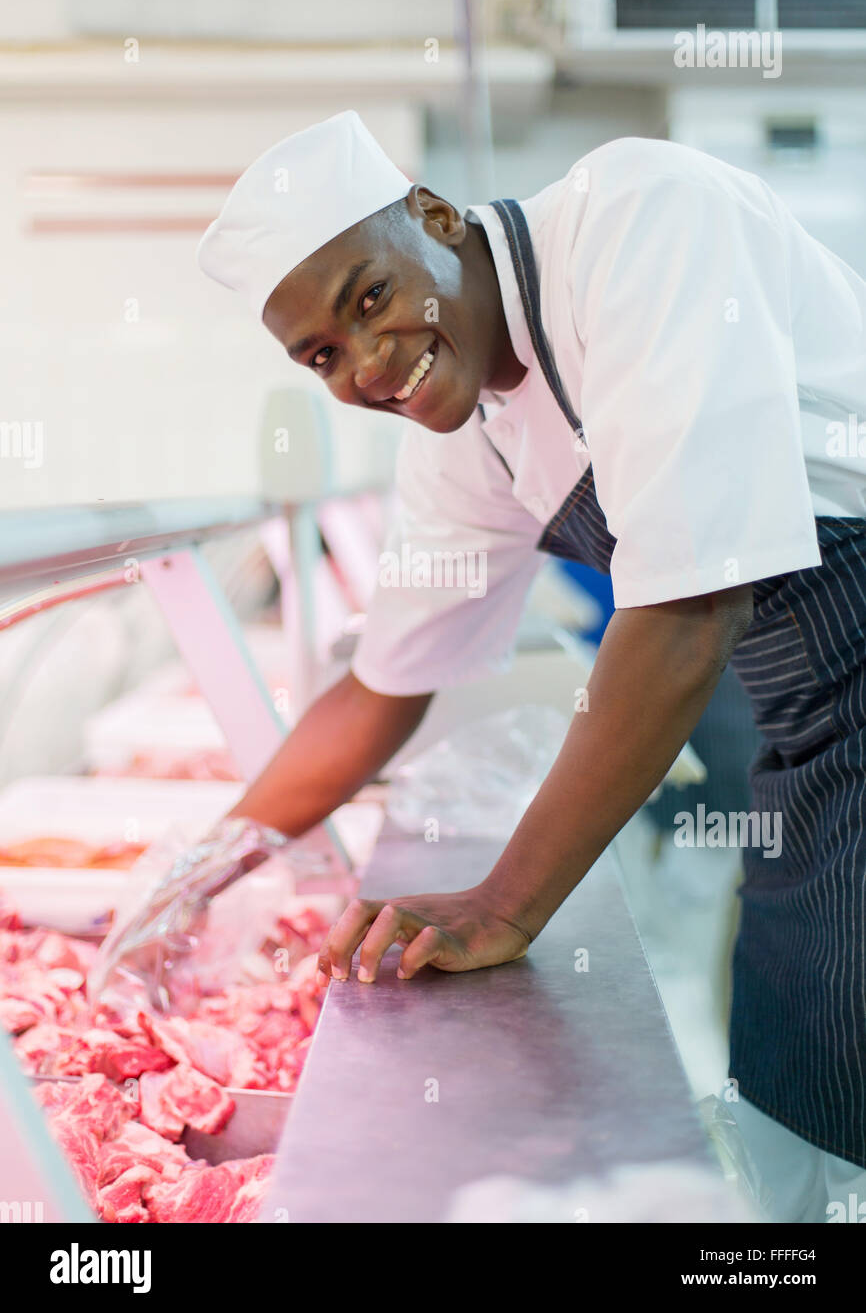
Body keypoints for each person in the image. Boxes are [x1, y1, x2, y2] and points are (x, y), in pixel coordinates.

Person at [97, 110, 866, 1218]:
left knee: (836, 1081)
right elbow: (380, 689)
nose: (364, 363)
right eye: (320, 355)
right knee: (796, 1068)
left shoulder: (639, 217)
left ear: (433, 216)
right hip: (808, 735)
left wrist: (505, 903)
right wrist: (198, 870)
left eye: (368, 297)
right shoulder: (474, 431)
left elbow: (689, 606)